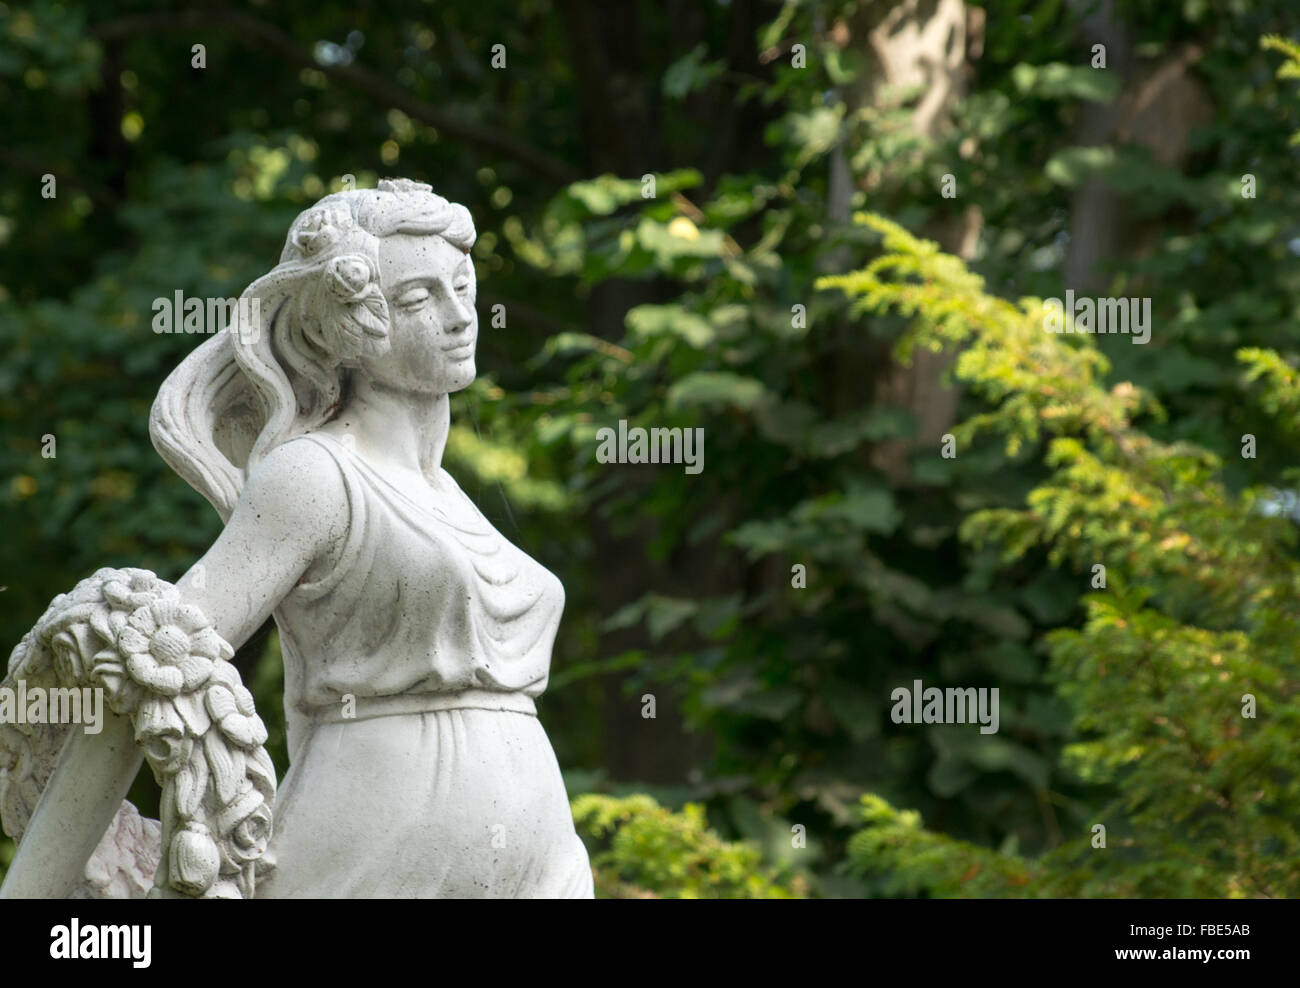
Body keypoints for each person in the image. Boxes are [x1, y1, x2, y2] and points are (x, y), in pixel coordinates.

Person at [149, 177, 594, 898]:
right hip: (381, 834)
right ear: (342, 327)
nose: (458, 317)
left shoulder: (450, 496)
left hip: (541, 850)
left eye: (462, 288)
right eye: (421, 299)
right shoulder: (313, 476)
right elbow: (168, 648)